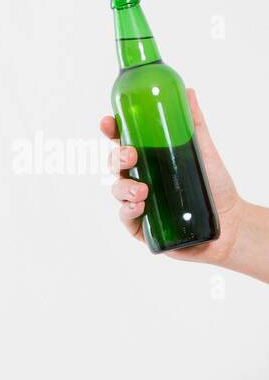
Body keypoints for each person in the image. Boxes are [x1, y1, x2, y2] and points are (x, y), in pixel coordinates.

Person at [101, 88, 269, 284]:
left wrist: (234, 223)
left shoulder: (152, 82)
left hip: (212, 217)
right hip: (211, 224)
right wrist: (235, 226)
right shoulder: (125, 89)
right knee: (131, 162)